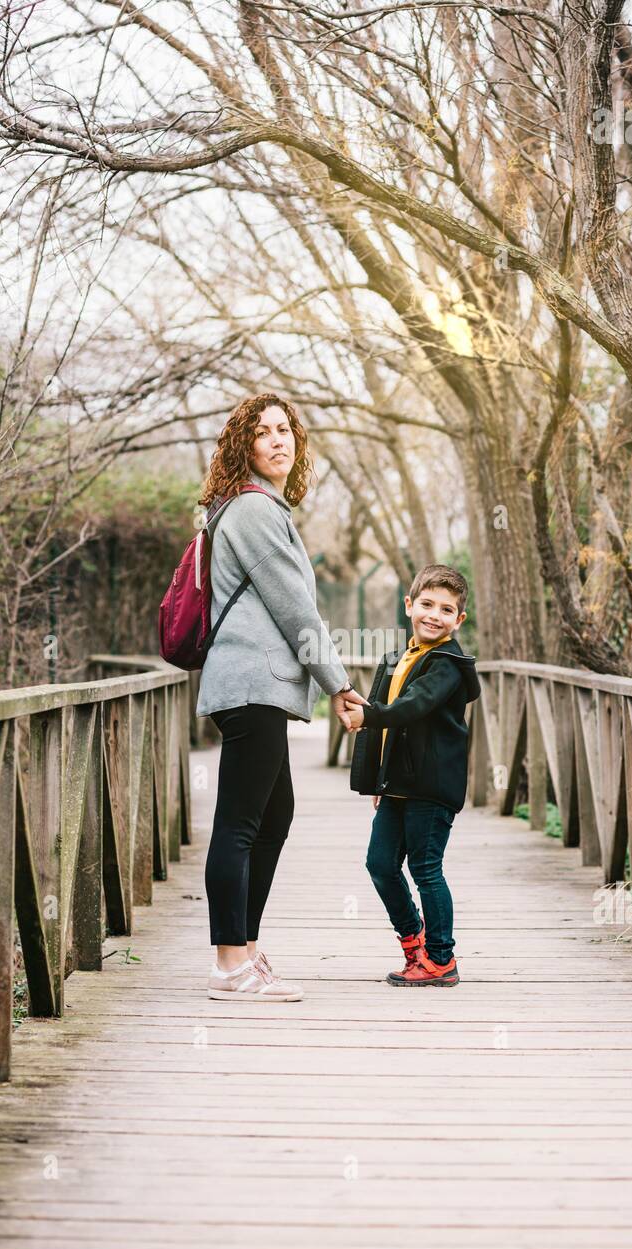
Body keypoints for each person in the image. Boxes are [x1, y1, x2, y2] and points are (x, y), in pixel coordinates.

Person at [196, 393, 367, 1002]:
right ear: (243, 446)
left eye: (284, 430)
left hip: (253, 686)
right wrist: (341, 685)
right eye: (263, 432)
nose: (277, 440)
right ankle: (228, 966)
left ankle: (243, 949)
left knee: (274, 815)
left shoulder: (258, 508)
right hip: (250, 686)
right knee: (241, 823)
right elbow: (298, 612)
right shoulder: (253, 511)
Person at [346, 565, 481, 986]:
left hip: (432, 784)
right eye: (426, 604)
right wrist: (377, 781)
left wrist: (367, 716)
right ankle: (413, 943)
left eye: (446, 609)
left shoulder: (447, 664)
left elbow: (413, 707)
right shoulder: (396, 659)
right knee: (380, 863)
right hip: (399, 785)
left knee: (426, 868)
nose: (434, 615)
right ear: (409, 605)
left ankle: (441, 959)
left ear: (458, 621)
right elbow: (388, 726)